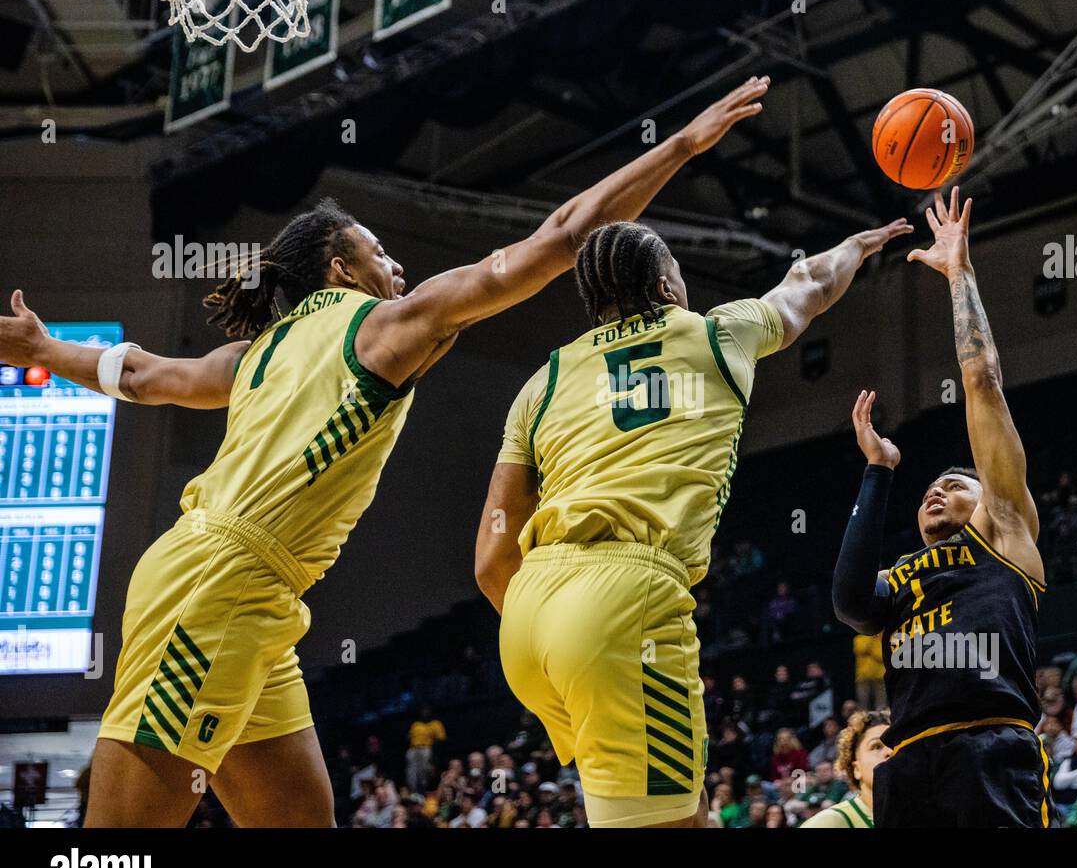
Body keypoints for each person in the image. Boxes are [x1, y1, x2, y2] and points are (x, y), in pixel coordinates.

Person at [0, 80, 767, 829]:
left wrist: (43, 347)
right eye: (379, 252)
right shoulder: (382, 326)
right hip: (217, 585)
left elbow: (140, 374)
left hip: (254, 596)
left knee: (299, 816)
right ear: (339, 271)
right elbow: (562, 239)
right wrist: (681, 145)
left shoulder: (257, 354)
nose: (396, 268)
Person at [473, 159, 912, 829]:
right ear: (662, 281)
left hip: (529, 615)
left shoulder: (544, 380)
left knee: (675, 814)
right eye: (675, 264)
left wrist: (557, 621)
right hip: (622, 601)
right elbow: (807, 284)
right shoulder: (716, 333)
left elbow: (489, 559)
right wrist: (857, 245)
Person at [830, 187, 1049, 827]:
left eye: (958, 484)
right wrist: (877, 473)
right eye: (932, 487)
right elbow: (848, 603)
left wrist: (960, 274)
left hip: (990, 747)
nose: (937, 489)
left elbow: (981, 381)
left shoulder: (1002, 535)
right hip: (910, 762)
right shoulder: (899, 580)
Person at [801, 710, 893, 828]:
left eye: (895, 744)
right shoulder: (829, 822)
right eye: (876, 746)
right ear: (856, 769)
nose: (890, 751)